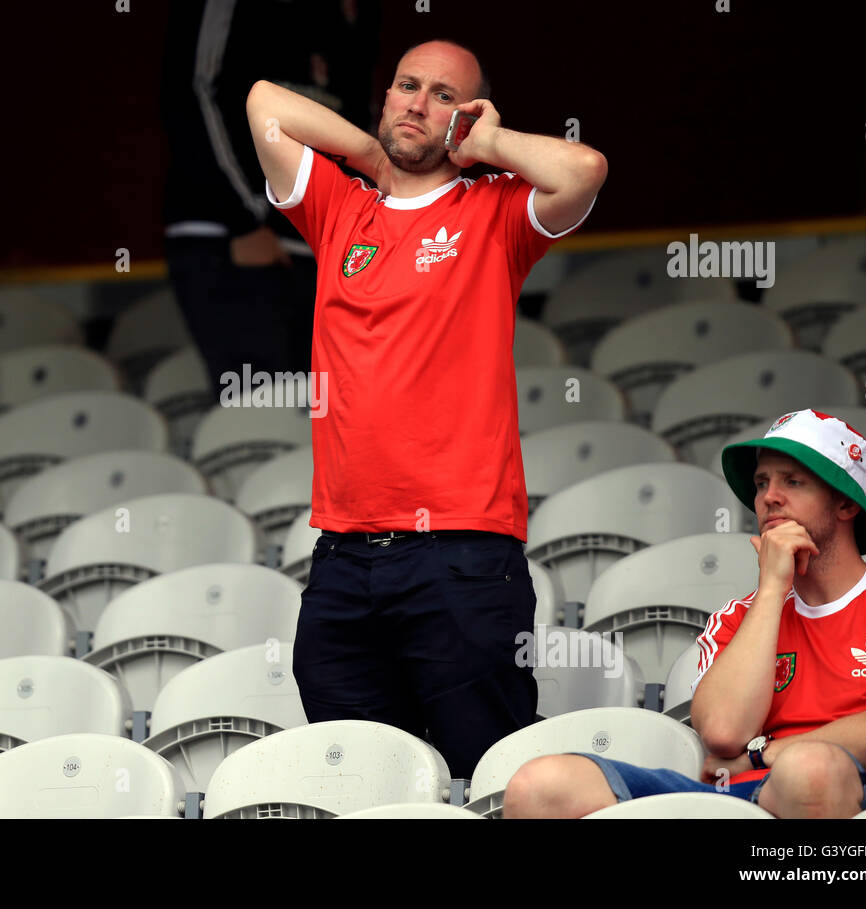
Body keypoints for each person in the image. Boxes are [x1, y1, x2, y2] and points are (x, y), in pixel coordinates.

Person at [245, 39, 607, 779]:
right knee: (365, 783)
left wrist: (494, 143)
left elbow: (585, 169)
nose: (416, 102)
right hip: (343, 556)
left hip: (463, 549)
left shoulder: (495, 209)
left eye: (443, 95)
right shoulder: (340, 206)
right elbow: (262, 103)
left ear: (468, 116)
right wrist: (372, 160)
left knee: (485, 772)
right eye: (406, 87)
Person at [503, 409, 866, 817]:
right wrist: (773, 589)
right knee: (541, 786)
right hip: (736, 796)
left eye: (793, 481)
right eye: (761, 483)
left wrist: (764, 754)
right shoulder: (738, 615)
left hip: (860, 796)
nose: (768, 497)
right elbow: (724, 733)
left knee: (809, 770)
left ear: (846, 506)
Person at [161, 0, 380, 403]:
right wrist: (241, 221)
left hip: (320, 247)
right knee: (263, 414)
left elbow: (360, 121)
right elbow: (195, 90)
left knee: (331, 422)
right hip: (235, 237)